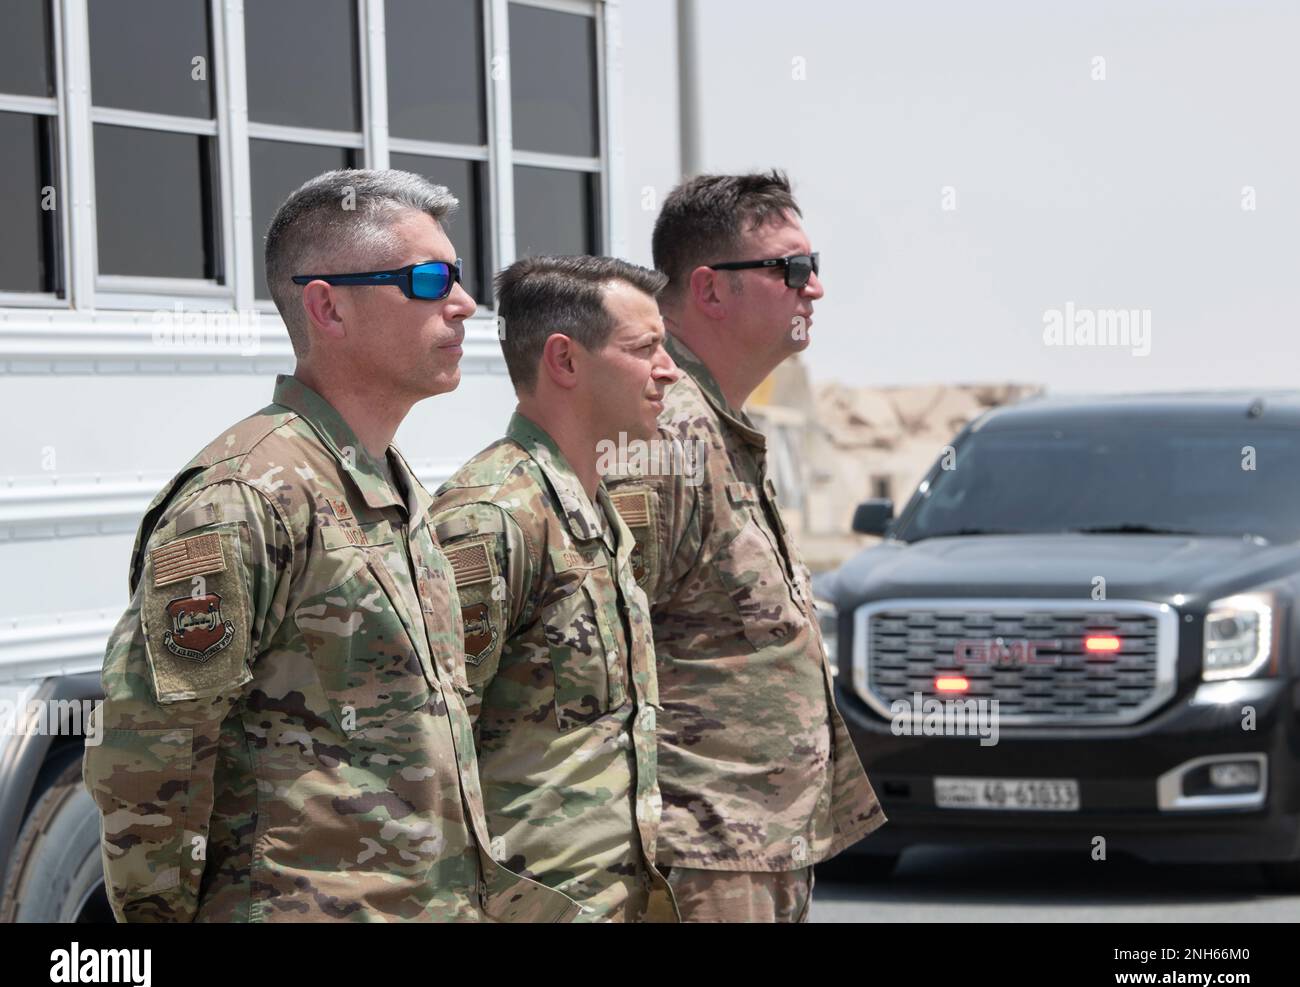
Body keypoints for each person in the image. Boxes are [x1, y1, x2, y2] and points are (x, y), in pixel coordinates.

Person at [83, 169, 580, 922]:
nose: (464, 303)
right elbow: (152, 754)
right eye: (427, 278)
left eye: (458, 276)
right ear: (327, 307)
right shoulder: (245, 495)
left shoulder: (394, 490)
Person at [607, 170, 886, 922]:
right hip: (698, 852)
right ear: (710, 289)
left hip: (754, 847)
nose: (813, 290)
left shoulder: (712, 426)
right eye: (790, 269)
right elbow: (595, 649)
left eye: (814, 267)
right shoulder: (664, 433)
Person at [430, 255, 679, 921]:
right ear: (565, 361)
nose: (669, 369)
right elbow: (425, 748)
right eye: (645, 348)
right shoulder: (490, 518)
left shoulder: (598, 507)